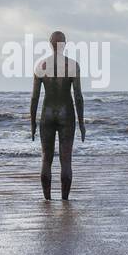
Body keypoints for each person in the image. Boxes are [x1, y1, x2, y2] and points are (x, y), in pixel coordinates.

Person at [29, 31, 85, 200]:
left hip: (46, 114)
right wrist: (81, 123)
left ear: (49, 44)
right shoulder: (72, 66)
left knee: (46, 158)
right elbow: (78, 97)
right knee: (66, 160)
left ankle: (47, 200)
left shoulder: (40, 65)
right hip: (66, 114)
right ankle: (65, 200)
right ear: (65, 44)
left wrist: (32, 122)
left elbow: (34, 97)